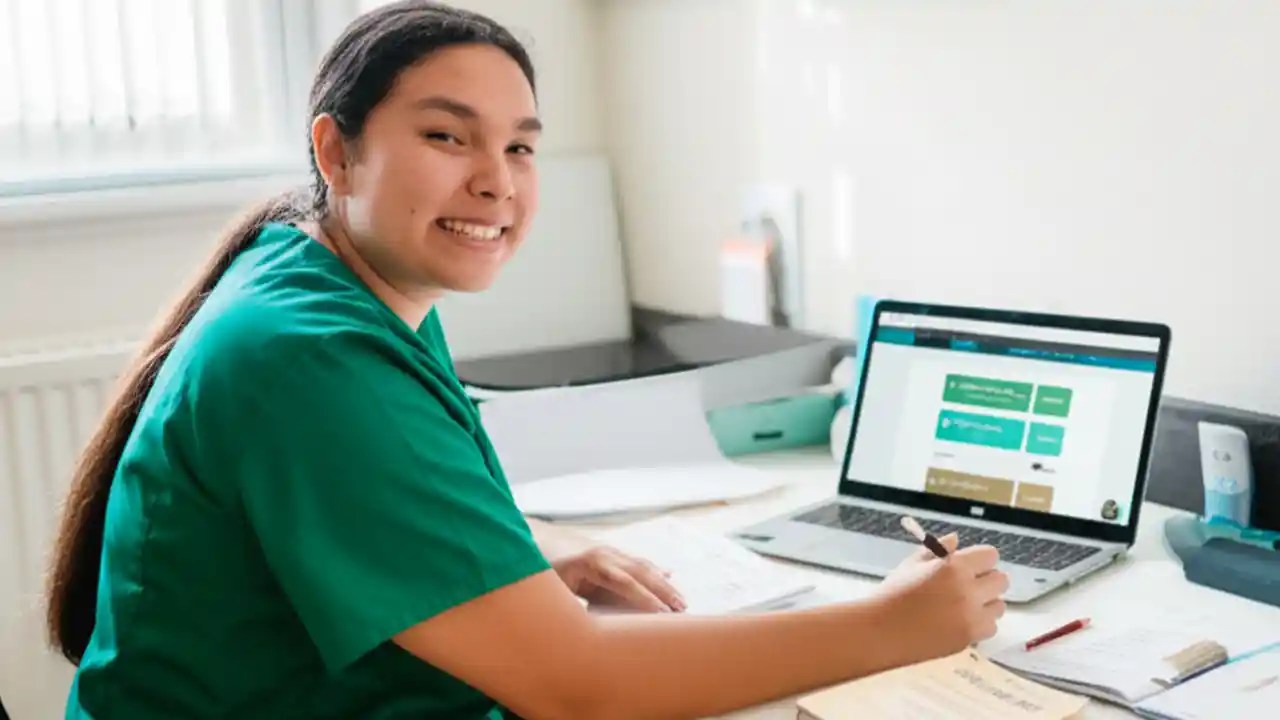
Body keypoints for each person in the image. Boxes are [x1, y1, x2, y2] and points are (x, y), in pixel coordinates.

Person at [47, 2, 1008, 718]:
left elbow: (345, 511)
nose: (496, 183)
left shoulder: (327, 282)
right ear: (335, 154)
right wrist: (893, 628)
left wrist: (524, 557)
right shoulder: (308, 356)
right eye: (445, 136)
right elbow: (574, 686)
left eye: (520, 146)